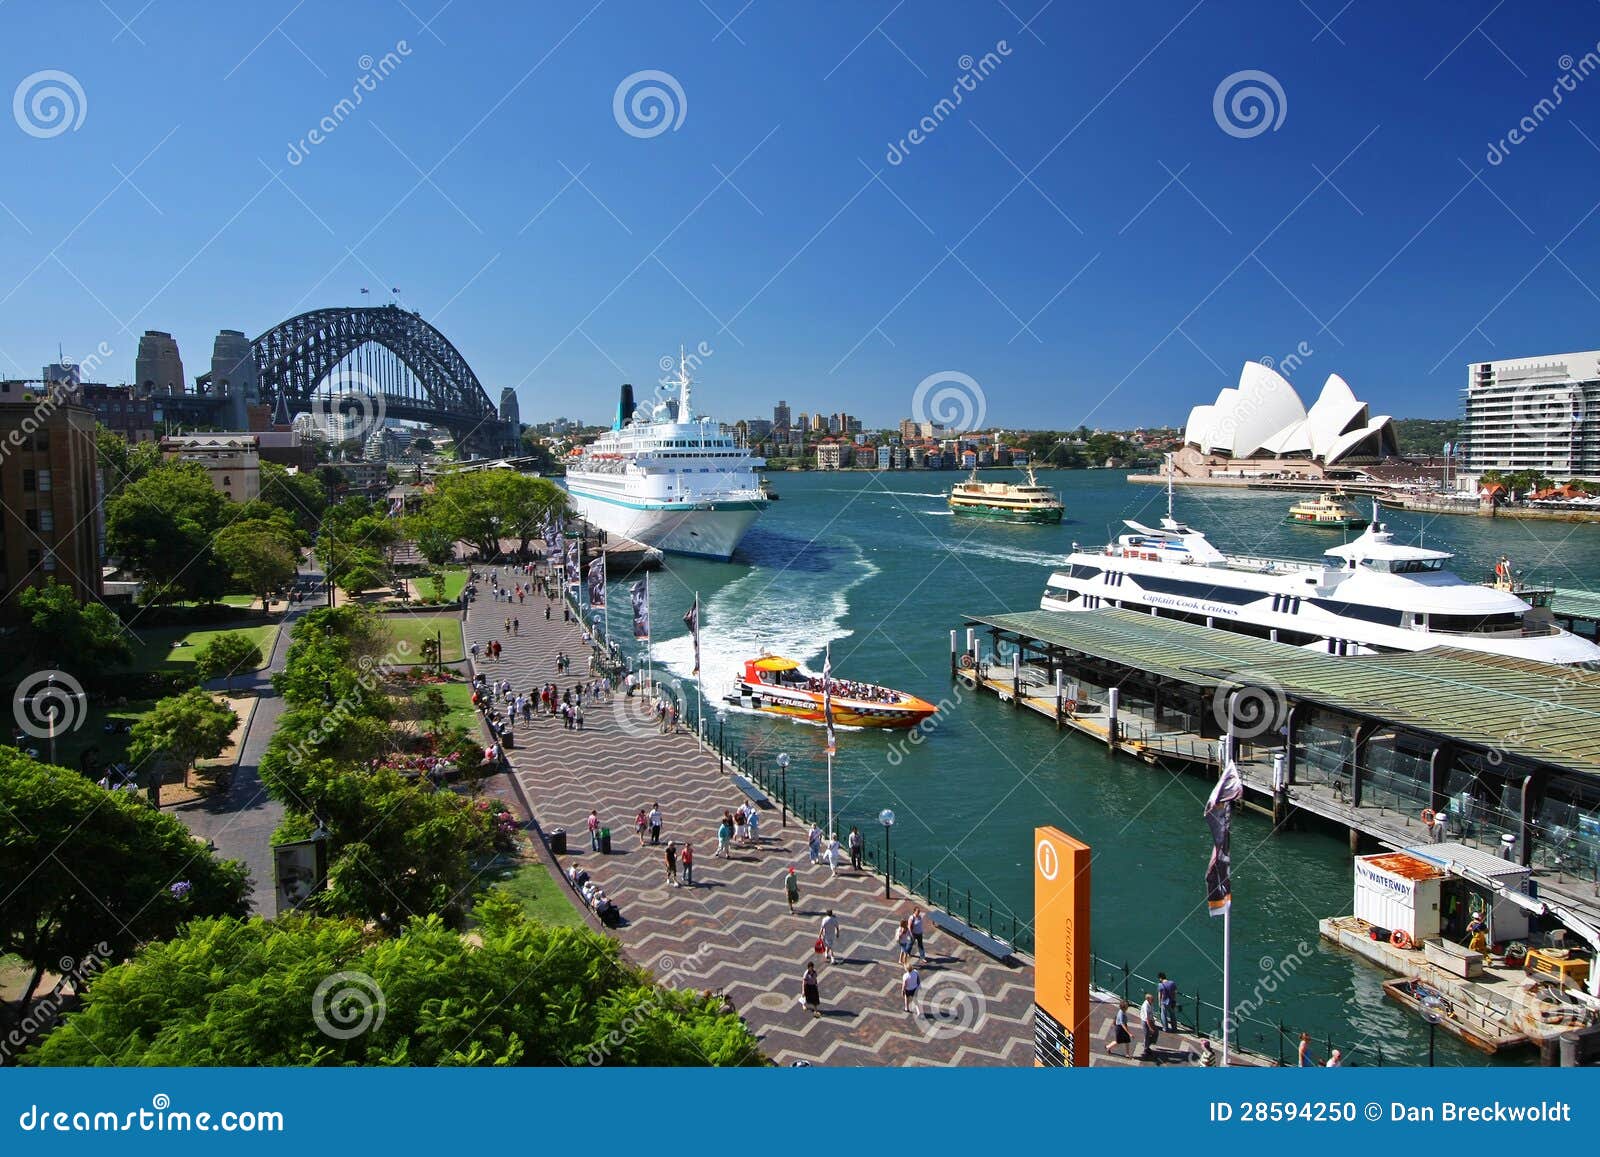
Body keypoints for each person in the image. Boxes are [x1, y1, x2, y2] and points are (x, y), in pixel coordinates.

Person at [1139, 992, 1159, 1060]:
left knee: (1156, 1032)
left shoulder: (1151, 1003)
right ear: (1148, 999)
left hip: (1150, 1020)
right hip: (1145, 1022)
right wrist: (1150, 1027)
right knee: (1147, 1035)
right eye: (1152, 999)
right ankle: (1146, 1049)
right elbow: (1146, 1018)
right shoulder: (1145, 1006)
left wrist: (1153, 1020)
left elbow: (1151, 1014)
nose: (1153, 1000)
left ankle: (1147, 1044)